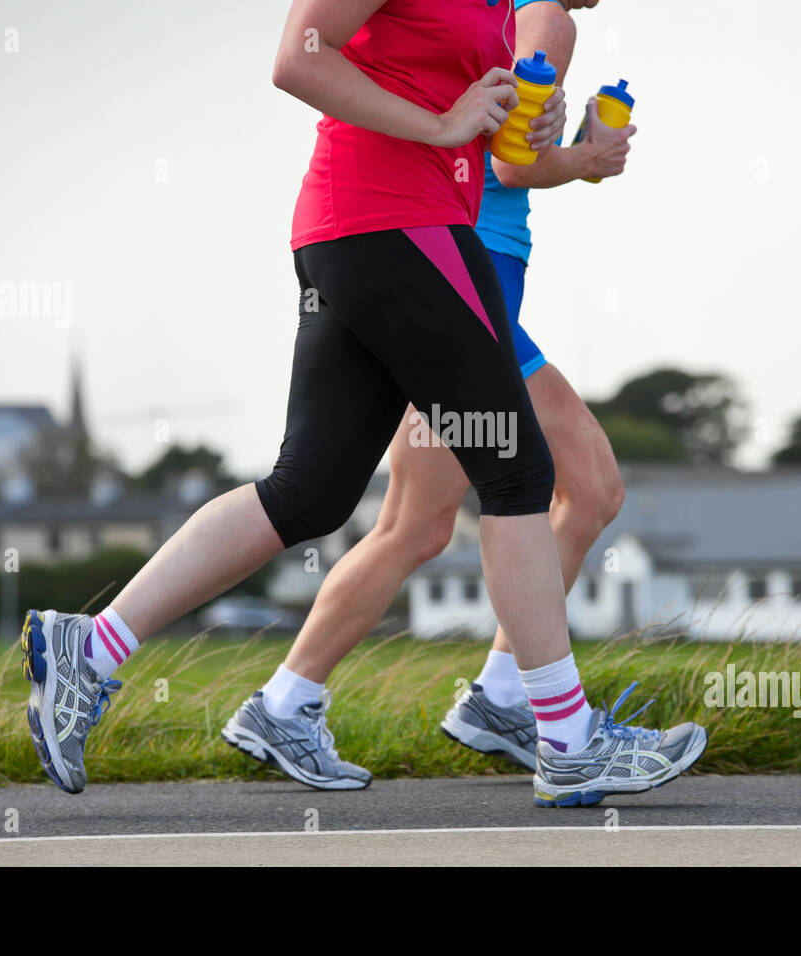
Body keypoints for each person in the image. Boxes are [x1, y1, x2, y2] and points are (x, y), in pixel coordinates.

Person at [21, 0, 707, 809]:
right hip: (396, 224)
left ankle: (90, 647)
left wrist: (530, 130)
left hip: (374, 233)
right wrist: (444, 125)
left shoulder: (501, 6)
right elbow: (299, 57)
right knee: (518, 471)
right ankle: (567, 740)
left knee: (308, 493)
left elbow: (496, 149)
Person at [231, 0, 650, 791]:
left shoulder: (502, 11)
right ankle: (507, 700)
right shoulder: (544, 18)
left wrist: (572, 153)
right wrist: (590, 158)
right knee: (581, 486)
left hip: (434, 256)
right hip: (462, 270)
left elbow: (498, 146)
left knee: (418, 524)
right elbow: (511, 165)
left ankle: (291, 701)